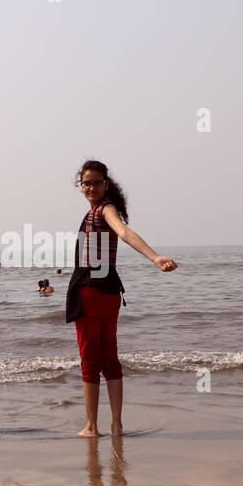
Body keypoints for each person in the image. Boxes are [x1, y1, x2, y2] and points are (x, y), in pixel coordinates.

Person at [66, 159, 177, 436]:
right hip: (110, 292)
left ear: (106, 184)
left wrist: (155, 257)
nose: (91, 187)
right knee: (109, 359)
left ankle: (92, 427)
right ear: (81, 186)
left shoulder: (105, 210)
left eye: (96, 182)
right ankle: (116, 425)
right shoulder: (98, 210)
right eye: (86, 183)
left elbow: (125, 233)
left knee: (90, 360)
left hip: (92, 292)